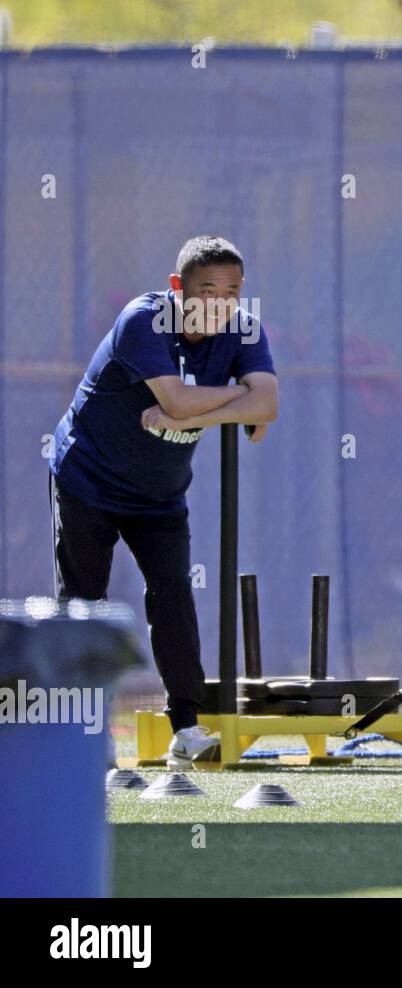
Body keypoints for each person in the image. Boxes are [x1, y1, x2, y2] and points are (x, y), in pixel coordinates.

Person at [48, 235, 278, 769]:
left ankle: (187, 729)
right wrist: (228, 402)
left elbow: (267, 404)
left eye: (232, 291)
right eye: (207, 290)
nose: (221, 303)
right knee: (85, 604)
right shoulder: (141, 321)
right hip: (88, 479)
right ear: (178, 288)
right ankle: (87, 731)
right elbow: (179, 397)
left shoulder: (243, 329)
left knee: (174, 594)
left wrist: (190, 417)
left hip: (159, 494)